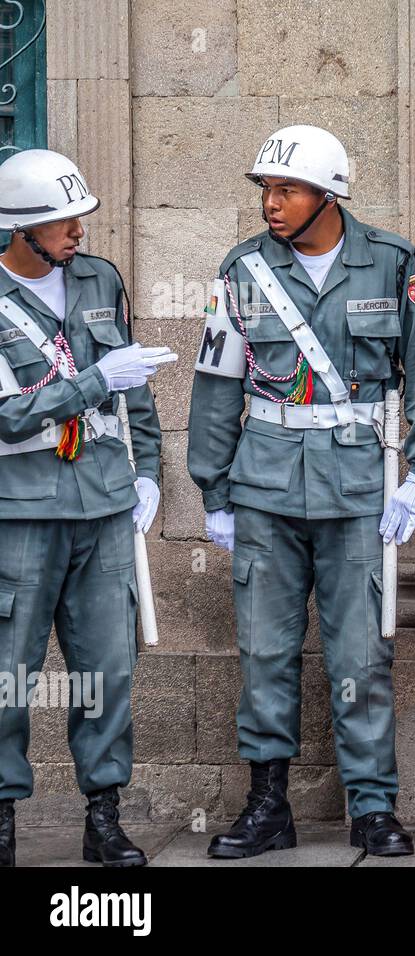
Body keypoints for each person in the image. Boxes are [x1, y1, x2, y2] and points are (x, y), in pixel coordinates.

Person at [188, 125, 415, 857]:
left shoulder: (390, 262)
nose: (271, 204)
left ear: (328, 195)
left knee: (361, 655)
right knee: (266, 653)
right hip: (265, 490)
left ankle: (372, 807)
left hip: (358, 488)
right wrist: (212, 490)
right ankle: (267, 805)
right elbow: (217, 384)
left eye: (286, 190)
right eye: (266, 191)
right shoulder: (241, 268)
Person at [0, 149, 174, 866]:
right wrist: (96, 379)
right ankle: (4, 819)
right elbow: (11, 418)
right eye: (61, 220)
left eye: (77, 217)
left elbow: (135, 394)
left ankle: (104, 815)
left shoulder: (101, 279)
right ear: (20, 228)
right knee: (9, 675)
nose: (77, 230)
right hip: (21, 514)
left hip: (104, 506)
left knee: (107, 671)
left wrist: (151, 474)